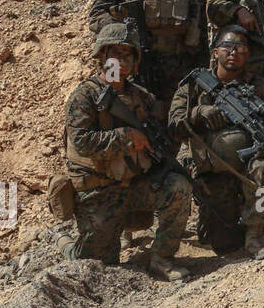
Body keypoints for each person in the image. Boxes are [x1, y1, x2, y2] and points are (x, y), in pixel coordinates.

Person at [63, 22, 192, 280]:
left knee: (178, 186)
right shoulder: (84, 97)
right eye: (116, 54)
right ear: (101, 55)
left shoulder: (143, 97)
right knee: (94, 265)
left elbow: (161, 138)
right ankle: (63, 242)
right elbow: (81, 142)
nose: (122, 61)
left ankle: (162, 258)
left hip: (135, 186)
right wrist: (126, 137)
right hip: (99, 192)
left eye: (128, 55)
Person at [168, 25, 264, 260]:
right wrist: (198, 113)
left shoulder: (261, 88)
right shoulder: (194, 86)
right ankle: (257, 221)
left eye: (241, 48)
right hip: (213, 174)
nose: (234, 52)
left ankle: (257, 232)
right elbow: (174, 125)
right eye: (228, 47)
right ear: (215, 52)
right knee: (224, 243)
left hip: (251, 170)